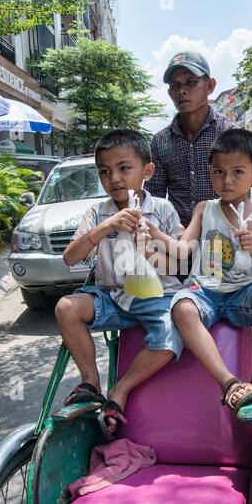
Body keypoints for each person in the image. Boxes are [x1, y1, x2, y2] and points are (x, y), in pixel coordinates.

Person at [57, 129, 184, 432]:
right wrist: (105, 227)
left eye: (124, 169)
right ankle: (90, 382)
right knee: (66, 308)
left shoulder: (162, 209)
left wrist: (153, 243)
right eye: (104, 171)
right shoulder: (98, 211)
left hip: (157, 297)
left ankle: (121, 390)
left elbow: (182, 259)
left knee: (170, 338)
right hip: (112, 297)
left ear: (147, 171)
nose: (114, 178)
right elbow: (70, 258)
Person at [169, 129, 252, 413]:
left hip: (242, 292)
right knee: (182, 307)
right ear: (210, 172)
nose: (227, 180)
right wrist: (154, 240)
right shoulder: (203, 208)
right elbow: (184, 247)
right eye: (219, 172)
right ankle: (230, 383)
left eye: (237, 172)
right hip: (204, 289)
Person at [148, 51, 235, 227]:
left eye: (190, 82)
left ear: (209, 86)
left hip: (222, 236)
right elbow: (154, 199)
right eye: (175, 85)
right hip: (175, 239)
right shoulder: (160, 141)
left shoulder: (229, 135)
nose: (181, 90)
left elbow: (241, 196)